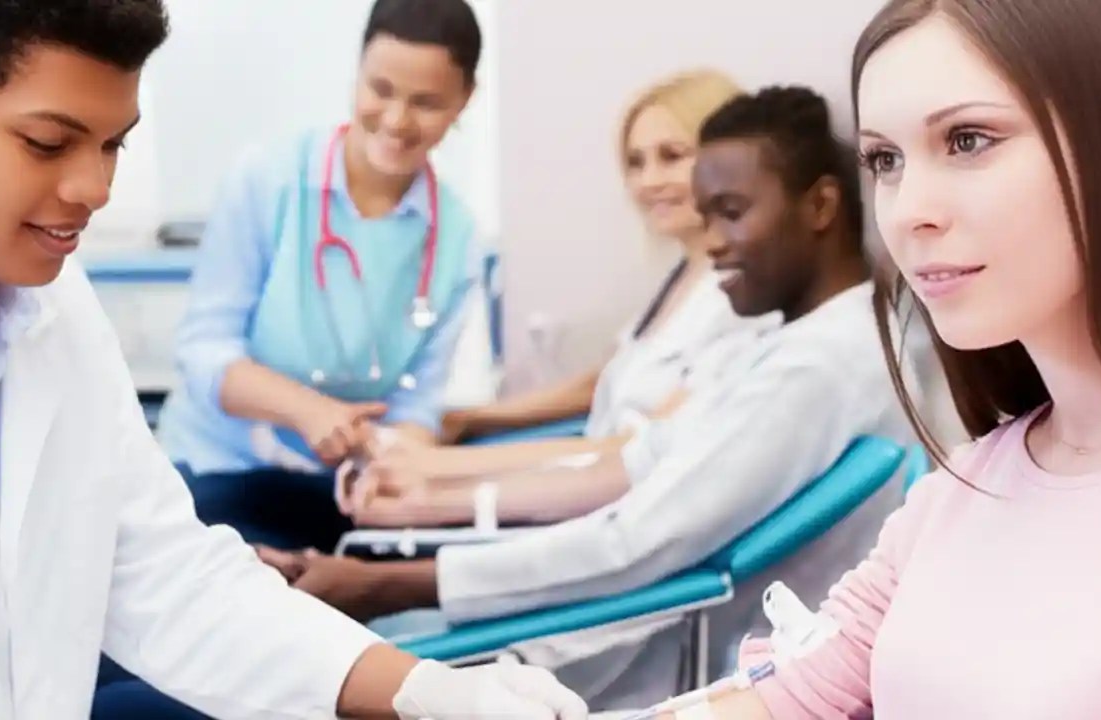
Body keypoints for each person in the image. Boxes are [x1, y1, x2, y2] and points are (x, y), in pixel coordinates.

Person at [0, 2, 588, 719]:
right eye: (47, 143)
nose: (93, 190)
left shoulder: (52, 309)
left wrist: (420, 688)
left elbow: (165, 574)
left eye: (113, 145)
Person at [261, 85, 911, 711]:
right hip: (610, 603)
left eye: (732, 213)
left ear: (822, 208)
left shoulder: (816, 369)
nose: (710, 241)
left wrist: (385, 582)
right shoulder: (784, 341)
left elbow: (637, 544)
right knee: (286, 628)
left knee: (300, 668)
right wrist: (429, 506)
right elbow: (636, 468)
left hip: (659, 643)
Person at [633, 1, 1101, 718]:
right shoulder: (962, 487)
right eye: (885, 160)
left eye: (968, 139)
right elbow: (785, 698)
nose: (907, 211)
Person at [152, 0, 484, 552]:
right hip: (220, 468)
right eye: (380, 90)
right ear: (356, 74)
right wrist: (306, 411)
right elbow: (206, 350)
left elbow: (418, 405)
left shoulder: (456, 237)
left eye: (426, 102)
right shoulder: (269, 180)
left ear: (463, 100)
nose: (398, 120)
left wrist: (389, 460)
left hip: (344, 490)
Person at [360, 69, 780, 484]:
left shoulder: (741, 299)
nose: (649, 181)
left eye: (671, 156)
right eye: (635, 163)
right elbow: (604, 383)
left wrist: (441, 469)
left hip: (613, 493)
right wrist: (471, 418)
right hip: (589, 474)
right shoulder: (684, 275)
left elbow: (635, 450)